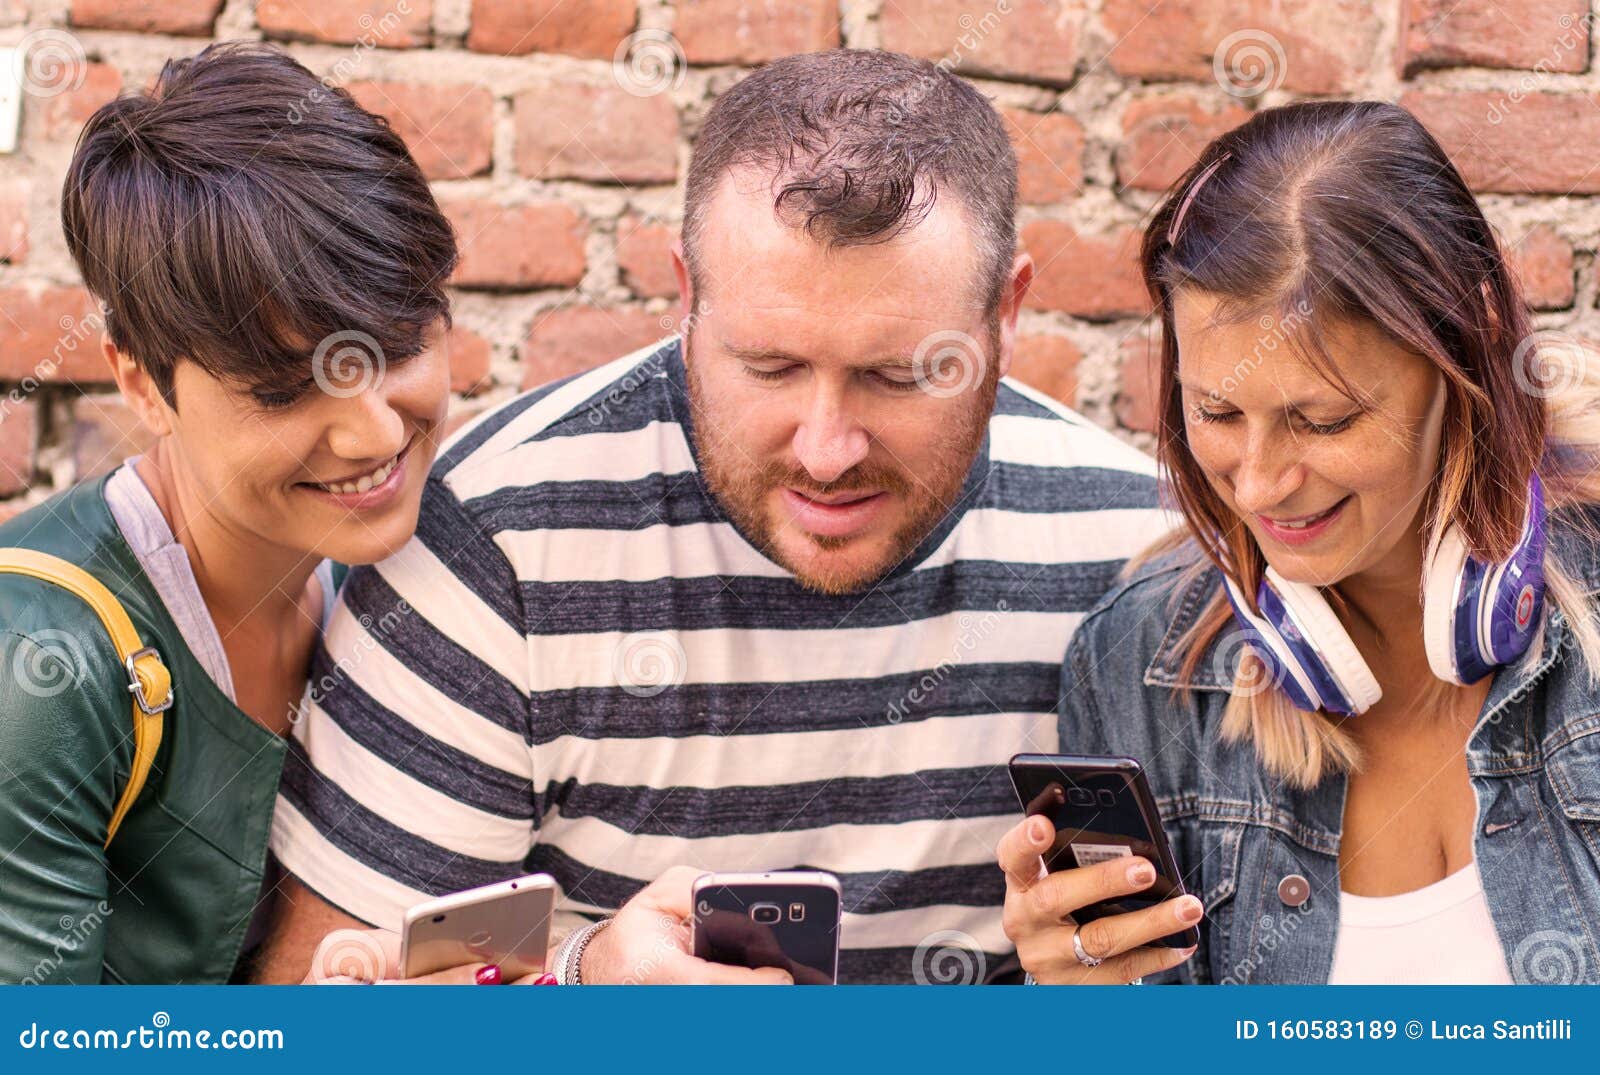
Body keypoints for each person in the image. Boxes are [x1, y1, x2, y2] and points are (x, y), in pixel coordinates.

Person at [257, 48, 1166, 986]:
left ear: (1006, 315)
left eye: (897, 374)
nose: (826, 449)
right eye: (768, 366)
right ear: (686, 296)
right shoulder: (495, 541)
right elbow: (321, 1004)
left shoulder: (1135, 546)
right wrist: (580, 980)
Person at [998, 99, 1600, 985]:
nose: (1257, 481)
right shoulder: (1135, 668)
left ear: (1461, 357)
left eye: (1321, 419)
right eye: (1216, 412)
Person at [0, 43, 462, 984]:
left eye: (402, 342)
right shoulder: (40, 665)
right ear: (141, 380)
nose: (373, 432)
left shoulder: (420, 569)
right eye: (286, 389)